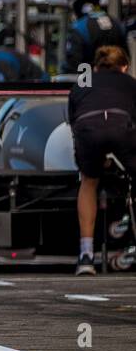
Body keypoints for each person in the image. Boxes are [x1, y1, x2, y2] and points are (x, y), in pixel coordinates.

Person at [68, 45, 136, 275]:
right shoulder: (130, 83)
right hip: (121, 128)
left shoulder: (83, 83)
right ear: (124, 66)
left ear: (95, 66)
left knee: (89, 181)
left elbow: (73, 118)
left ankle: (86, 255)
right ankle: (126, 220)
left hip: (88, 130)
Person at [63, 0, 126, 73]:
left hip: (90, 86)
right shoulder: (117, 24)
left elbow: (73, 67)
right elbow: (126, 61)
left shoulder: (80, 28)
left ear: (76, 2)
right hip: (118, 85)